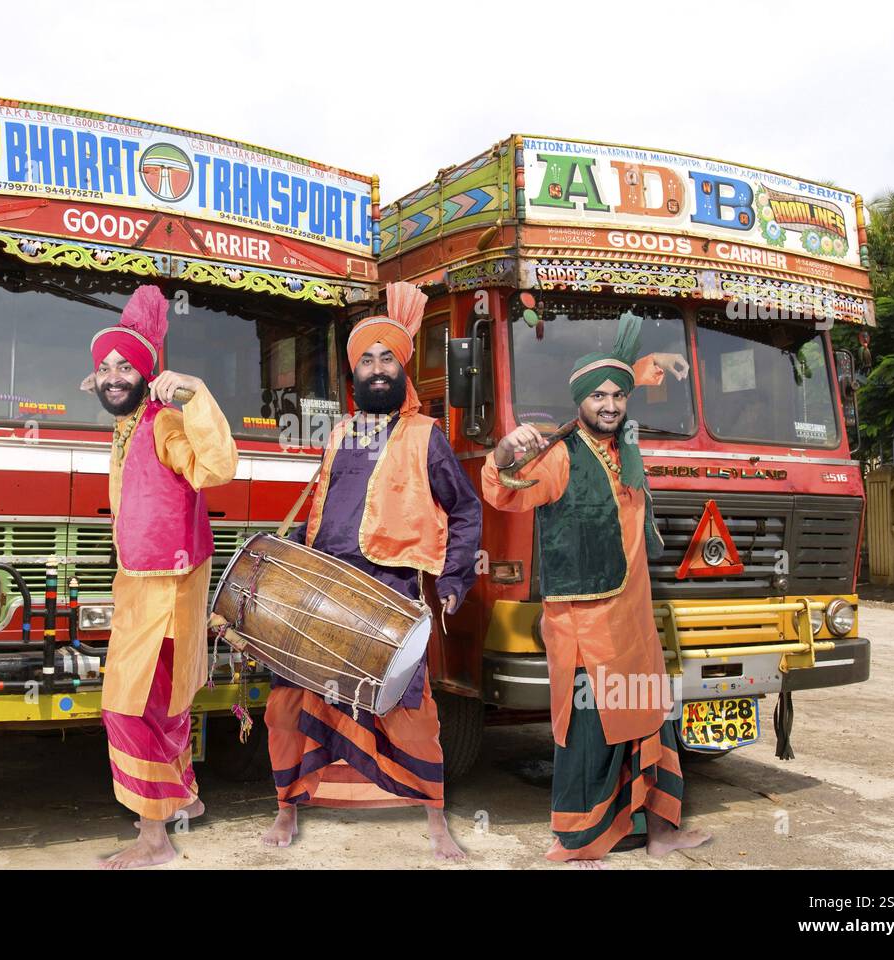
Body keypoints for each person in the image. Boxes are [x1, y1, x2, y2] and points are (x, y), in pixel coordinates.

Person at [261, 281, 482, 861]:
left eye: (388, 358)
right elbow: (319, 512)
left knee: (410, 709)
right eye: (366, 360)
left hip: (391, 591)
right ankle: (288, 808)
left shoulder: (426, 436)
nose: (377, 368)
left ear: (401, 370)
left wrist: (455, 580)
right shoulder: (339, 433)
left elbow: (465, 509)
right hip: (327, 588)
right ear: (354, 373)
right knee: (293, 701)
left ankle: (434, 821)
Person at [481, 312, 711, 867]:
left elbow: (625, 377)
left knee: (653, 724)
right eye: (598, 396)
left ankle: (660, 833)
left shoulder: (624, 449)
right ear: (579, 401)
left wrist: (653, 367)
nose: (609, 404)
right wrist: (506, 450)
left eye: (617, 396)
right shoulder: (560, 456)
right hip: (585, 629)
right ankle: (579, 842)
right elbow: (501, 491)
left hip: (633, 625)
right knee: (589, 735)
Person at [90, 284, 238, 869]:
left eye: (124, 367)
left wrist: (197, 394)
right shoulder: (127, 427)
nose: (112, 377)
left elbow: (217, 467)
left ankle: (154, 840)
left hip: (166, 597)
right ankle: (183, 798)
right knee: (164, 705)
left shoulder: (164, 424)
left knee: (133, 709)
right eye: (103, 369)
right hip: (140, 591)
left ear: (147, 373)